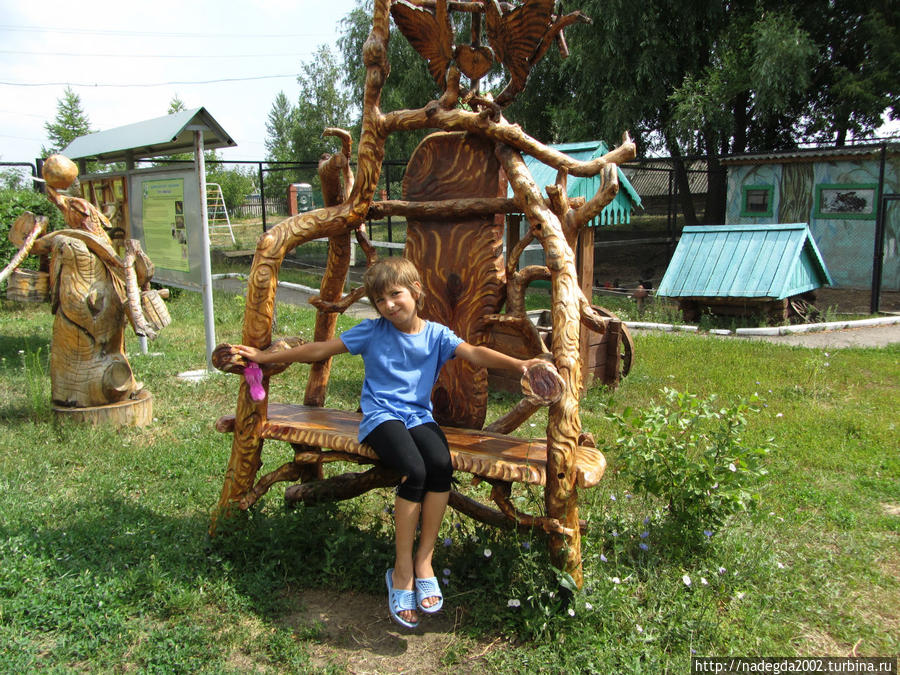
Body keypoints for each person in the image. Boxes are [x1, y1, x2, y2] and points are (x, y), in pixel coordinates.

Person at [234, 257, 546, 629]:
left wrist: (522, 365)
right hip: (382, 418)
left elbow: (475, 354)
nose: (389, 305)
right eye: (380, 300)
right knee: (414, 470)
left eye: (395, 295)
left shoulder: (436, 335)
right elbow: (319, 349)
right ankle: (401, 570)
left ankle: (424, 560)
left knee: (441, 467)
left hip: (419, 417)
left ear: (416, 292)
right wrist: (267, 357)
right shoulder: (372, 332)